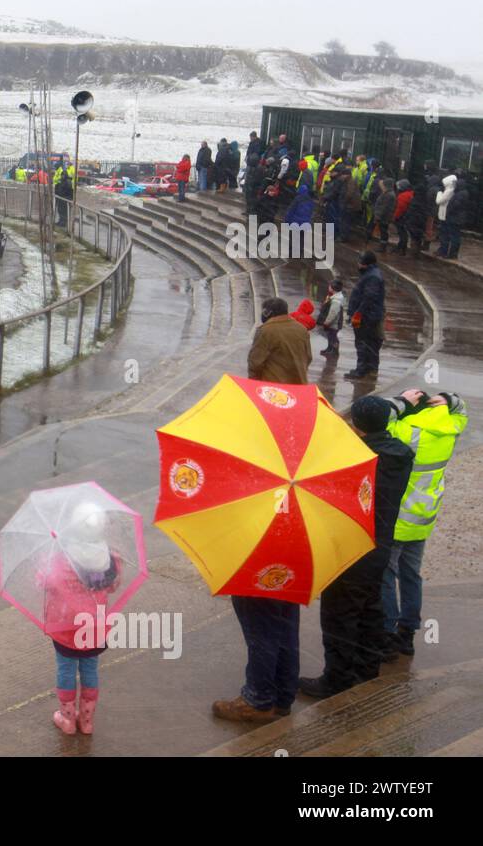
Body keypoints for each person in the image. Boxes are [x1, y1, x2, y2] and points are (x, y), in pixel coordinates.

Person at [213, 301, 311, 723]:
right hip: (295, 559)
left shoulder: (259, 466)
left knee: (261, 631)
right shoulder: (306, 469)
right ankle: (283, 696)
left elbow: (255, 364)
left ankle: (257, 699)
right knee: (286, 624)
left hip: (260, 561)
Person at [299, 396, 413, 699]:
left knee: (339, 616)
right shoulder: (400, 454)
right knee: (369, 610)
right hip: (380, 546)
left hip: (350, 549)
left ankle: (336, 680)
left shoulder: (355, 459)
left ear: (358, 427)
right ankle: (366, 669)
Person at [380, 390, 468, 660]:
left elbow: (378, 415)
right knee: (411, 575)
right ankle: (407, 634)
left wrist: (402, 400)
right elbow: (461, 412)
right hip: (424, 517)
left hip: (398, 519)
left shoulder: (406, 431)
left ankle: (387, 632)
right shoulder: (449, 428)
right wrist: (450, 400)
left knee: (386, 575)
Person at [40, 502, 122, 735]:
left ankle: (67, 720)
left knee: (65, 669)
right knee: (90, 669)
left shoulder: (61, 559)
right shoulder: (110, 559)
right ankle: (86, 722)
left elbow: (43, 581)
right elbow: (113, 586)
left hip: (65, 627)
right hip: (94, 628)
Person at [248, 296, 312, 384]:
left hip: (274, 386)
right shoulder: (302, 329)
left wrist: (253, 384)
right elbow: (308, 357)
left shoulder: (266, 330)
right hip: (299, 385)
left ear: (268, 313)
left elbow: (255, 362)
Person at [345, 250, 385, 380]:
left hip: (366, 317)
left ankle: (361, 370)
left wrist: (358, 314)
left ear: (366, 264)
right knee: (370, 343)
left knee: (363, 343)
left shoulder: (372, 277)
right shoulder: (371, 274)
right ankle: (370, 368)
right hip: (370, 315)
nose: (358, 265)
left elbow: (368, 298)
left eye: (360, 262)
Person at [438, 172, 468, 259]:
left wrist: (448, 211)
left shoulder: (460, 194)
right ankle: (451, 253)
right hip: (456, 217)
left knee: (453, 236)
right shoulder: (462, 193)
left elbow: (455, 206)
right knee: (453, 235)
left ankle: (452, 254)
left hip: (455, 218)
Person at [317, 279, 345, 357]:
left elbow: (333, 313)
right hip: (332, 323)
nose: (328, 287)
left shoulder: (336, 300)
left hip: (334, 323)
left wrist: (327, 322)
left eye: (329, 286)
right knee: (330, 336)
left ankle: (334, 351)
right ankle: (329, 348)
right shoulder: (333, 296)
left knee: (333, 337)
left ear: (333, 288)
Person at [369, 178, 396, 252]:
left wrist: (377, 216)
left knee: (383, 232)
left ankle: (382, 246)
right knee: (383, 231)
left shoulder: (389, 195)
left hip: (384, 217)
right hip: (384, 216)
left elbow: (383, 207)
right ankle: (382, 245)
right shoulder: (387, 193)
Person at [392, 179, 414, 255]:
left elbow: (400, 208)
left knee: (402, 234)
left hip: (402, 217)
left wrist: (395, 217)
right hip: (407, 217)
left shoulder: (403, 196)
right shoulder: (411, 193)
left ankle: (401, 249)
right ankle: (401, 248)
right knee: (403, 233)